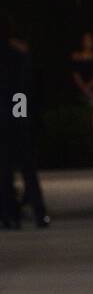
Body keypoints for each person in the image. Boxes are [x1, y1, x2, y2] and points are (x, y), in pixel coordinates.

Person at [0, 15, 50, 229]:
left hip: (6, 118)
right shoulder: (20, 52)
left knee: (5, 170)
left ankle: (10, 215)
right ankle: (39, 213)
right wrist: (21, 116)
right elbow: (24, 87)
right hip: (17, 116)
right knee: (27, 168)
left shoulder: (15, 53)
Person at [70, 31, 93, 109]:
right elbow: (75, 74)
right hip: (80, 91)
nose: (88, 42)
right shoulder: (76, 56)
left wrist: (88, 87)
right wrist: (84, 88)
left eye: (90, 39)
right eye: (86, 39)